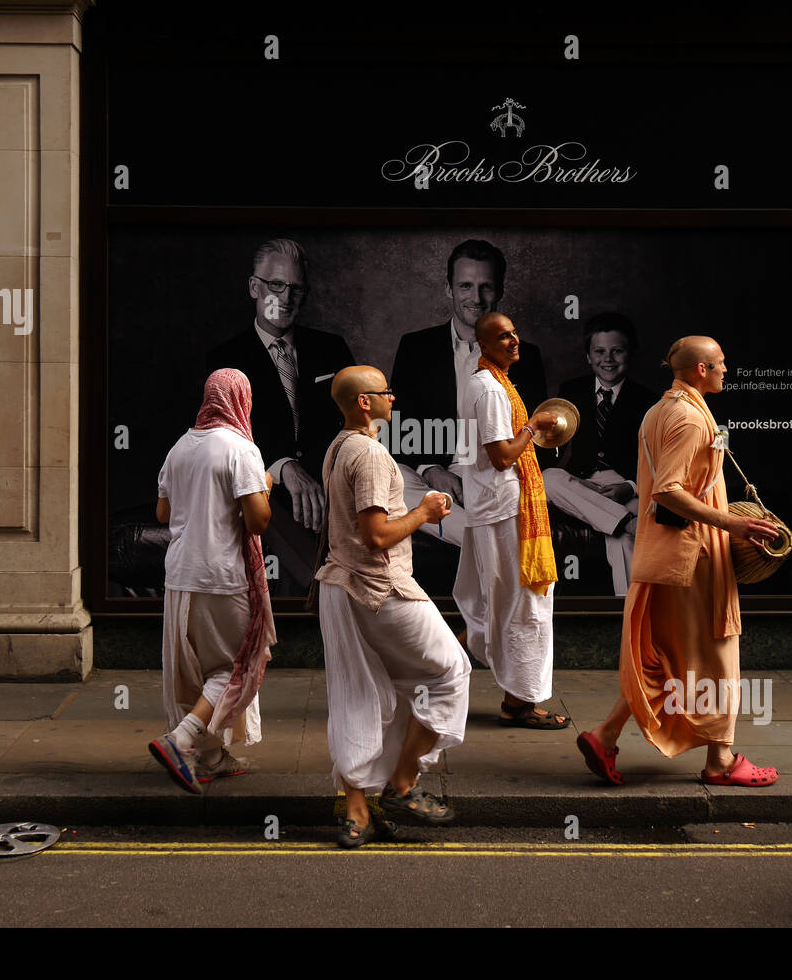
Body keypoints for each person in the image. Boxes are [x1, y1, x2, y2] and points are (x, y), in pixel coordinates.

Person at [575, 336, 781, 786]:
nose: (727, 369)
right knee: (718, 653)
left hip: (664, 551)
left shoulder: (658, 411)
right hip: (695, 555)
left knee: (664, 654)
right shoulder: (689, 419)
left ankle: (605, 735)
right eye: (721, 363)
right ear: (701, 370)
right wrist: (734, 526)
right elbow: (669, 490)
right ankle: (720, 761)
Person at [315, 365, 471, 848]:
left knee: (360, 692)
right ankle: (403, 785)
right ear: (365, 402)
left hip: (340, 588)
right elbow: (377, 535)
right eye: (385, 392)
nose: (392, 397)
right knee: (451, 672)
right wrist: (425, 512)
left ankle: (359, 810)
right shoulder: (371, 454)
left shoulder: (338, 446)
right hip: (379, 589)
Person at [149, 368, 277, 794]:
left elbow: (163, 514)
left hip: (180, 575)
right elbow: (258, 521)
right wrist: (265, 487)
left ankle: (212, 757)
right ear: (240, 399)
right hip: (221, 575)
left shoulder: (179, 448)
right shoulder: (241, 449)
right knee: (238, 665)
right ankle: (180, 741)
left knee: (196, 671)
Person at [204, 238, 354, 594]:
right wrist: (282, 466)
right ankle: (328, 587)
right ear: (254, 287)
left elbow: (357, 420)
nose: (285, 297)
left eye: (295, 288)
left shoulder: (332, 349)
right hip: (264, 484)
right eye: (276, 285)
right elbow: (222, 439)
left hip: (328, 482)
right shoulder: (222, 360)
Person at [389, 239, 547, 545]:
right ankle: (490, 542)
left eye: (486, 287)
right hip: (433, 476)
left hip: (497, 476)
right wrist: (431, 468)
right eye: (465, 286)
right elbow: (400, 426)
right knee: (391, 481)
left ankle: (476, 536)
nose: (476, 298)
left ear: (499, 291)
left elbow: (537, 437)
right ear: (449, 289)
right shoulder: (415, 347)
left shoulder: (526, 355)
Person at [452, 312, 568, 728]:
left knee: (493, 604)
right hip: (505, 510)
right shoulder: (490, 390)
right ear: (482, 345)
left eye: (514, 332)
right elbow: (502, 456)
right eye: (503, 337)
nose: (514, 341)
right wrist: (533, 427)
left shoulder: (486, 383)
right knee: (525, 605)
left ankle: (435, 668)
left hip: (494, 507)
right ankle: (518, 704)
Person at [543, 312, 659, 595]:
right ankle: (624, 522)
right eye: (600, 351)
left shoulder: (649, 401)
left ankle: (630, 616)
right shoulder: (571, 391)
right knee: (548, 477)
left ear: (629, 354)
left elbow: (657, 461)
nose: (608, 358)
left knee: (621, 542)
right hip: (583, 484)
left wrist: (629, 487)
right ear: (588, 356)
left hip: (624, 486)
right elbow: (555, 447)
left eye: (617, 351)